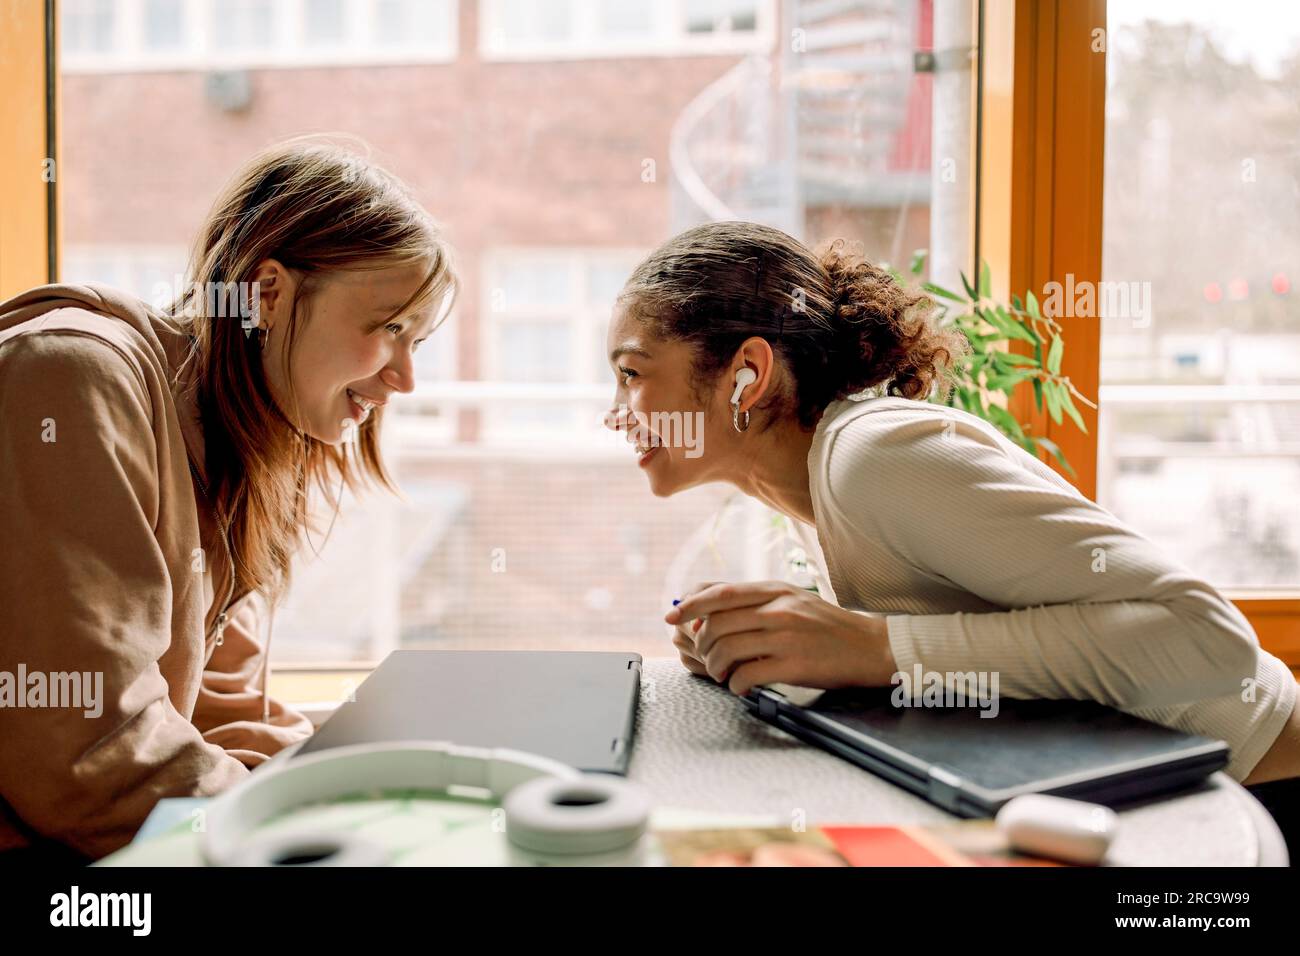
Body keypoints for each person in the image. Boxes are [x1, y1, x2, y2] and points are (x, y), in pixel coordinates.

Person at [603, 220, 1300, 857]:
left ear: (746, 375)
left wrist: (875, 648)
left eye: (632, 374)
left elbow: (1208, 642)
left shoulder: (870, 460)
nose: (614, 415)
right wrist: (769, 644)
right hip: (1151, 801)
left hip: (1258, 794)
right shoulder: (811, 496)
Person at [0, 137, 456, 861]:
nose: (404, 380)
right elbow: (83, 753)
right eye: (389, 328)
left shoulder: (244, 438)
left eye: (419, 342)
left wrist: (364, 805)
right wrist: (297, 836)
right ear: (269, 294)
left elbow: (221, 709)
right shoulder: (70, 381)